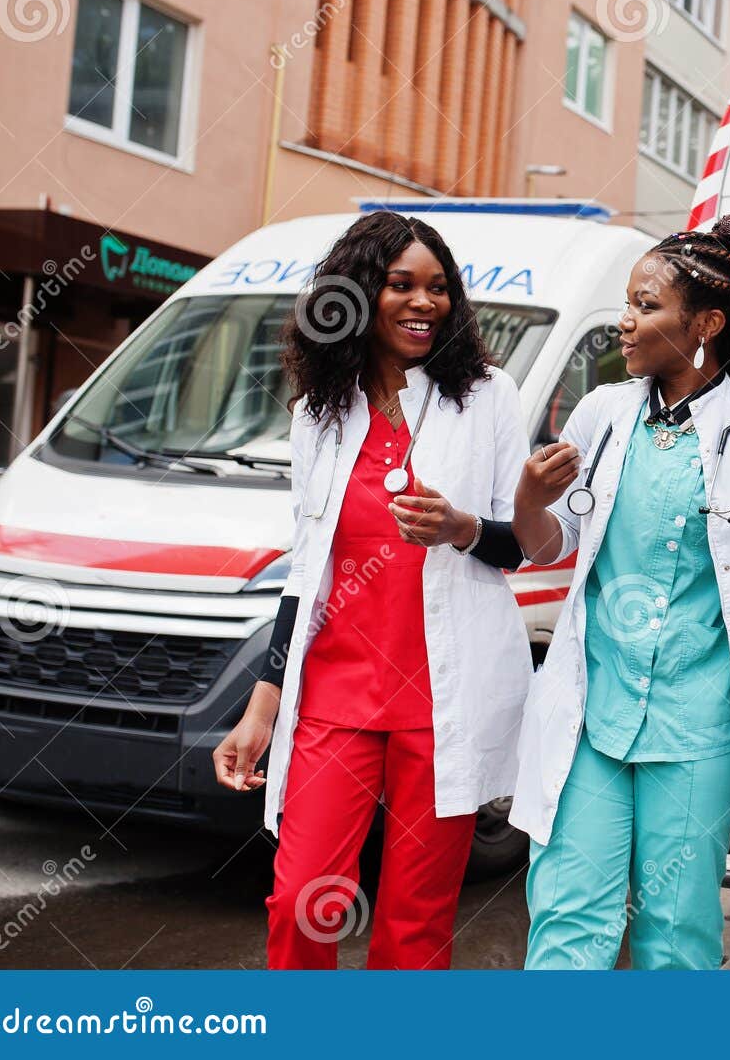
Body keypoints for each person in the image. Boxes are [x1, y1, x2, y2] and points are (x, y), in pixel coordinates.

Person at [212, 211, 532, 969]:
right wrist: (261, 708)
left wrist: (461, 527)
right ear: (358, 294)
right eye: (401, 285)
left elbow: (520, 541)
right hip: (334, 696)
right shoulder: (319, 415)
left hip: (442, 702)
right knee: (301, 903)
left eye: (439, 287)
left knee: (414, 926)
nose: (425, 302)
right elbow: (306, 568)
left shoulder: (487, 397)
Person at [509, 215, 730, 970]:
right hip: (593, 716)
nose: (626, 319)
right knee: (569, 920)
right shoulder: (604, 414)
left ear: (704, 323)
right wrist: (525, 498)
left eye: (646, 305)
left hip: (696, 726)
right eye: (629, 301)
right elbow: (551, 546)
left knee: (675, 937)